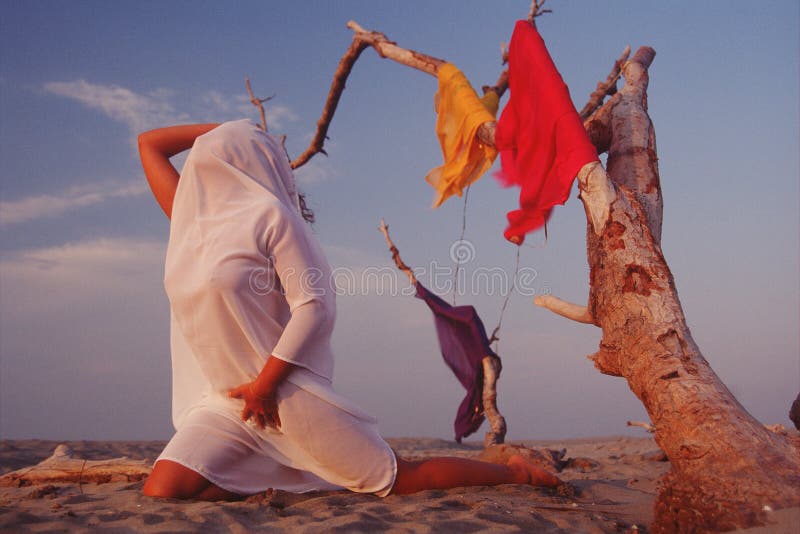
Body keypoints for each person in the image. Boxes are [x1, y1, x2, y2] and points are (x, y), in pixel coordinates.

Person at [138, 119, 562, 500]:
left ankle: (514, 473)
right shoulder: (188, 223)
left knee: (399, 480)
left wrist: (265, 386)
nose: (204, 160)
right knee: (164, 489)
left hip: (282, 396)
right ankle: (297, 476)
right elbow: (149, 143)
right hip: (226, 403)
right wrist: (231, 129)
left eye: (216, 150)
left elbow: (315, 307)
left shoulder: (271, 219)